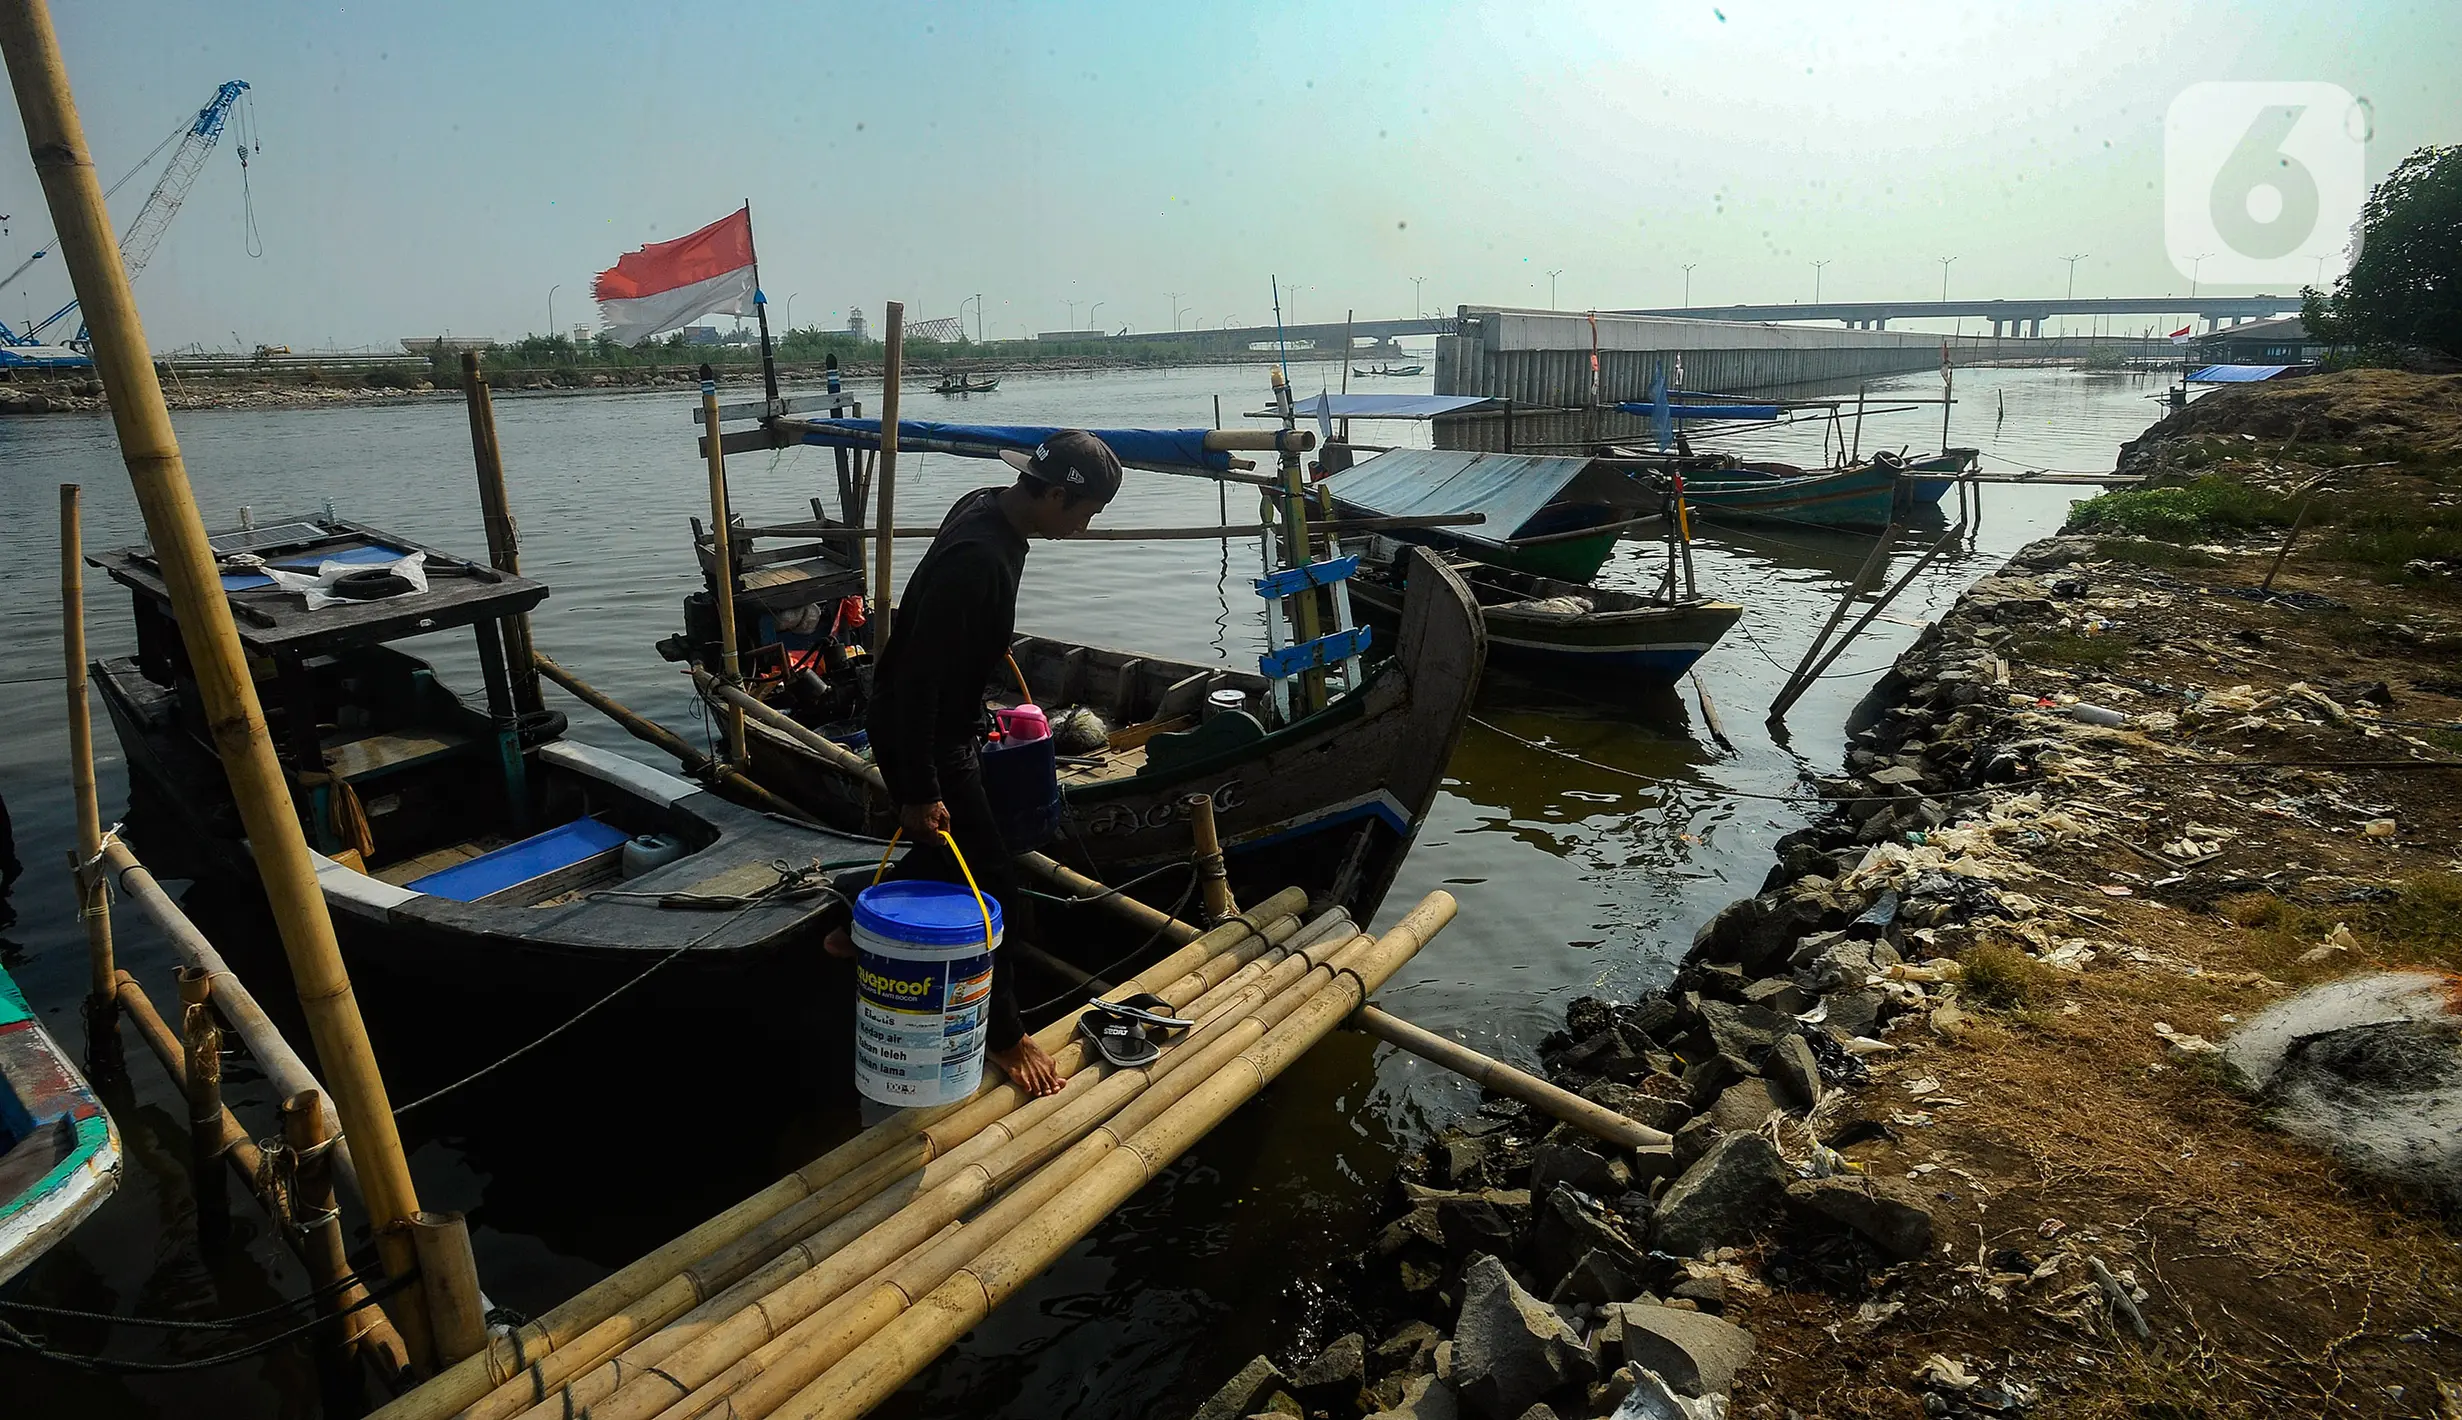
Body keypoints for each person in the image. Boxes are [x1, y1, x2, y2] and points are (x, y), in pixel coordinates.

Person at [828, 430, 1122, 1099]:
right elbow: (913, 689)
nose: (1083, 527)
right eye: (1084, 513)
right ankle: (1006, 1036)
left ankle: (849, 925)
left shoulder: (985, 505)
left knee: (951, 851)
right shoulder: (979, 558)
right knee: (997, 890)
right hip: (927, 733)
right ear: (1051, 494)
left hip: (947, 720)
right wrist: (918, 790)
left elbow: (942, 646)